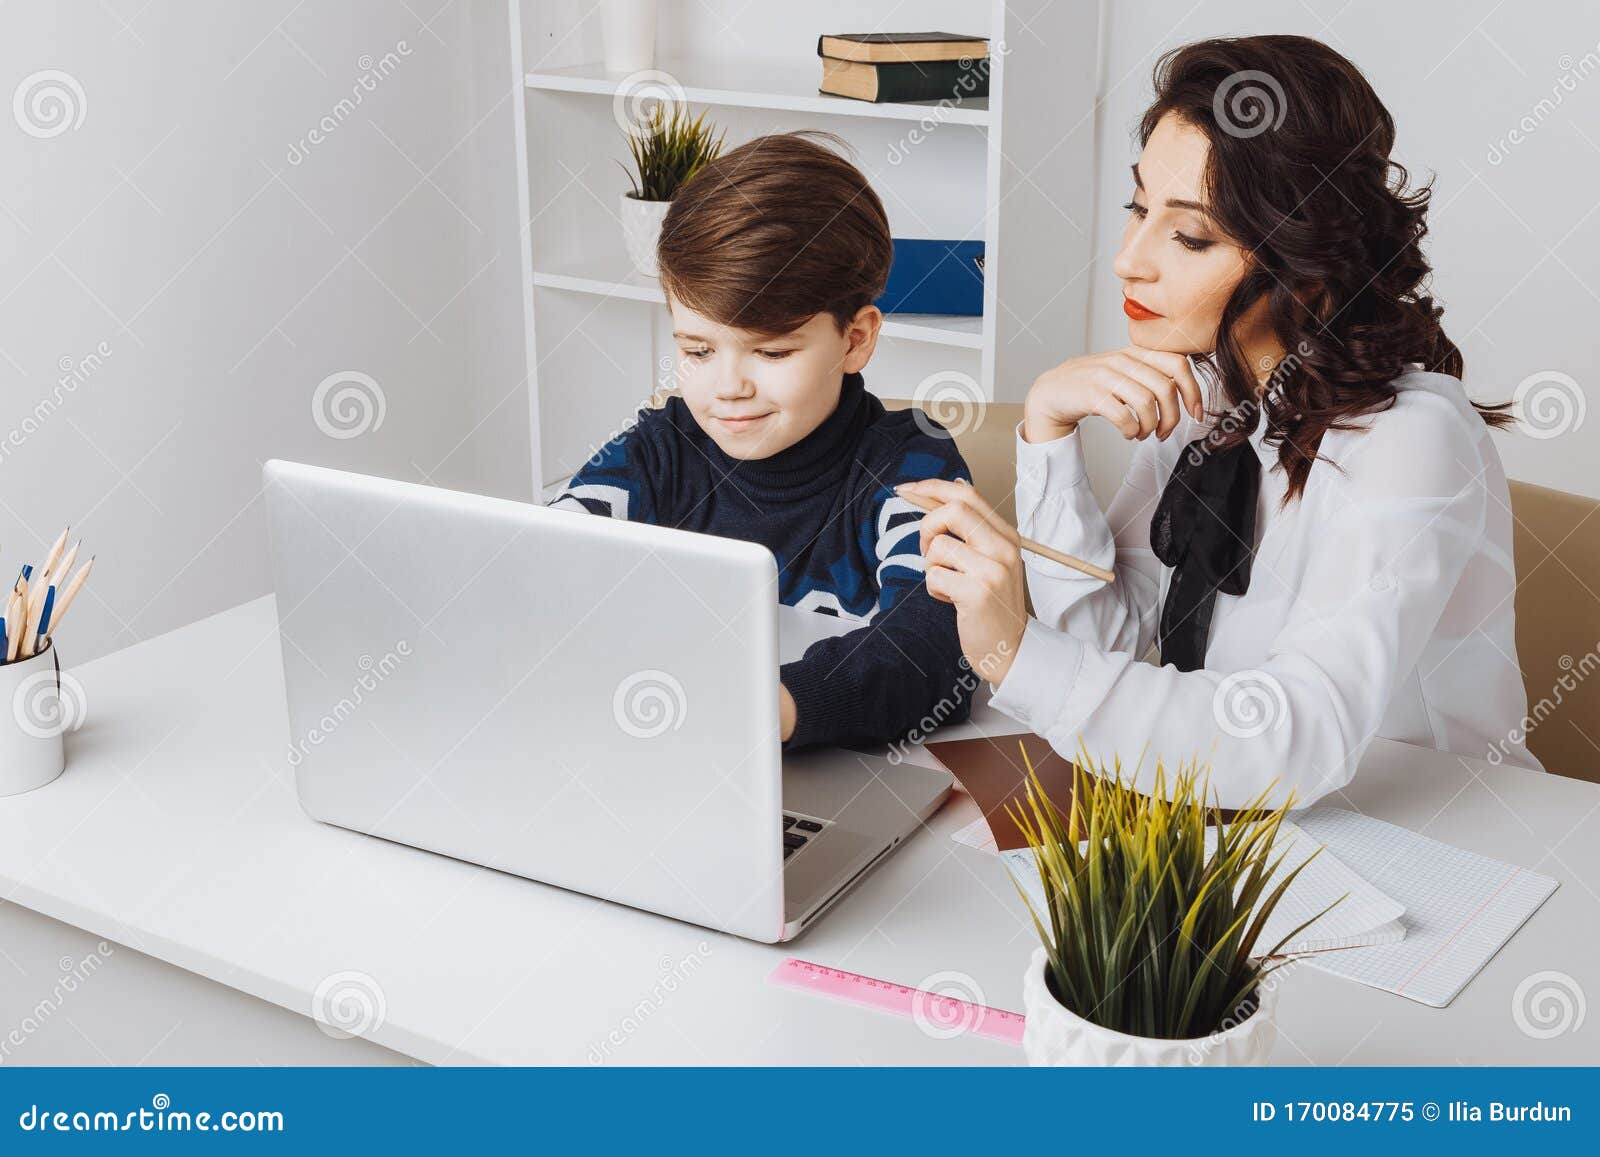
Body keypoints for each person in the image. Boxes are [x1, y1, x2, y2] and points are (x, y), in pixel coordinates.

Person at [899, 35, 1543, 806]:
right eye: (1139, 208)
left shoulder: (1413, 440)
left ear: (1304, 258)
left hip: (1434, 839)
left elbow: (1298, 738)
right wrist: (1048, 433)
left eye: (1190, 235)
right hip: (1241, 823)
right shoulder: (1210, 401)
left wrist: (1016, 655)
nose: (1129, 261)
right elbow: (1118, 647)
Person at [551, 131, 973, 750]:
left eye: (771, 351)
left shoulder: (911, 464)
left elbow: (935, 646)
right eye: (697, 350)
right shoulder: (657, 451)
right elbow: (543, 562)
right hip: (660, 746)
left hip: (809, 761)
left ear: (856, 339)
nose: (727, 388)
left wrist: (770, 707)